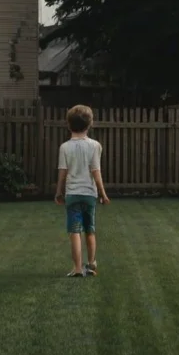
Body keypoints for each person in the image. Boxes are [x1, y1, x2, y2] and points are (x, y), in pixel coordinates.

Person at [54, 105, 110, 277]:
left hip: (72, 195)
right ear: (89, 125)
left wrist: (58, 192)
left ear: (69, 125)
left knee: (75, 231)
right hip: (89, 195)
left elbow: (63, 172)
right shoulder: (95, 146)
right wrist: (102, 193)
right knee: (90, 230)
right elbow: (96, 171)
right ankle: (91, 264)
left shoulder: (64, 147)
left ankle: (78, 268)